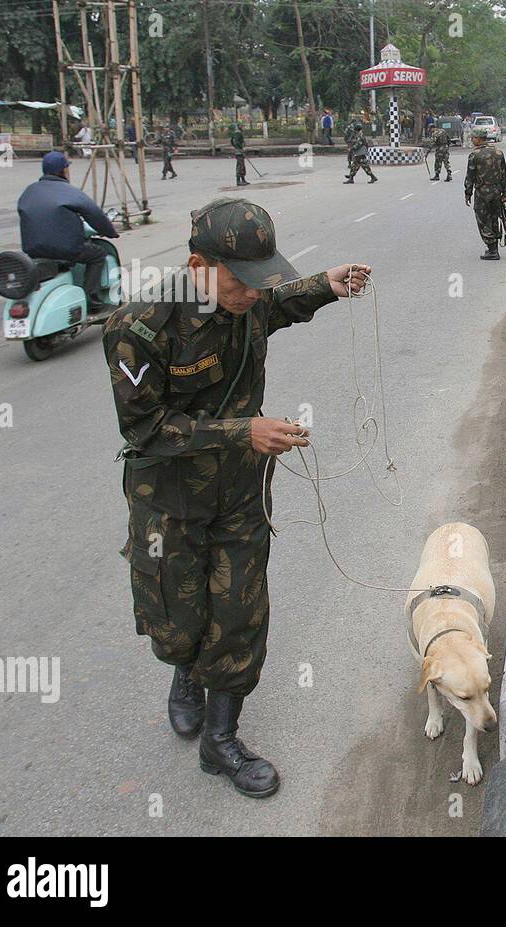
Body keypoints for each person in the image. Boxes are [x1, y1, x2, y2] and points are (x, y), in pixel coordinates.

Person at [103, 197, 372, 798]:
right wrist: (242, 431)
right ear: (198, 265)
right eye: (240, 281)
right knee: (179, 620)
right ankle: (184, 673)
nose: (253, 294)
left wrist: (327, 285)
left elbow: (280, 300)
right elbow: (145, 430)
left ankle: (221, 742)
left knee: (240, 613)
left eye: (259, 280)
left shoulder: (246, 302)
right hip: (168, 504)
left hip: (238, 496)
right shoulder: (141, 327)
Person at [17, 151, 119, 315]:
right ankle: (91, 298)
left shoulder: (30, 191)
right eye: (67, 168)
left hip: (34, 252)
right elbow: (94, 213)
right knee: (98, 254)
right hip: (65, 250)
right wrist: (110, 232)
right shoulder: (68, 190)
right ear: (63, 170)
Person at [464, 125, 506, 260]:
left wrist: (468, 193)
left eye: (473, 138)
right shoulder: (499, 153)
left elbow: (470, 176)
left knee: (483, 220)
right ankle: (494, 248)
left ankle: (492, 250)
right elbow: (504, 174)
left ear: (479, 139)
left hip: (482, 193)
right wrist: (505, 192)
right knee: (494, 218)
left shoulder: (474, 155)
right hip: (496, 192)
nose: (472, 140)